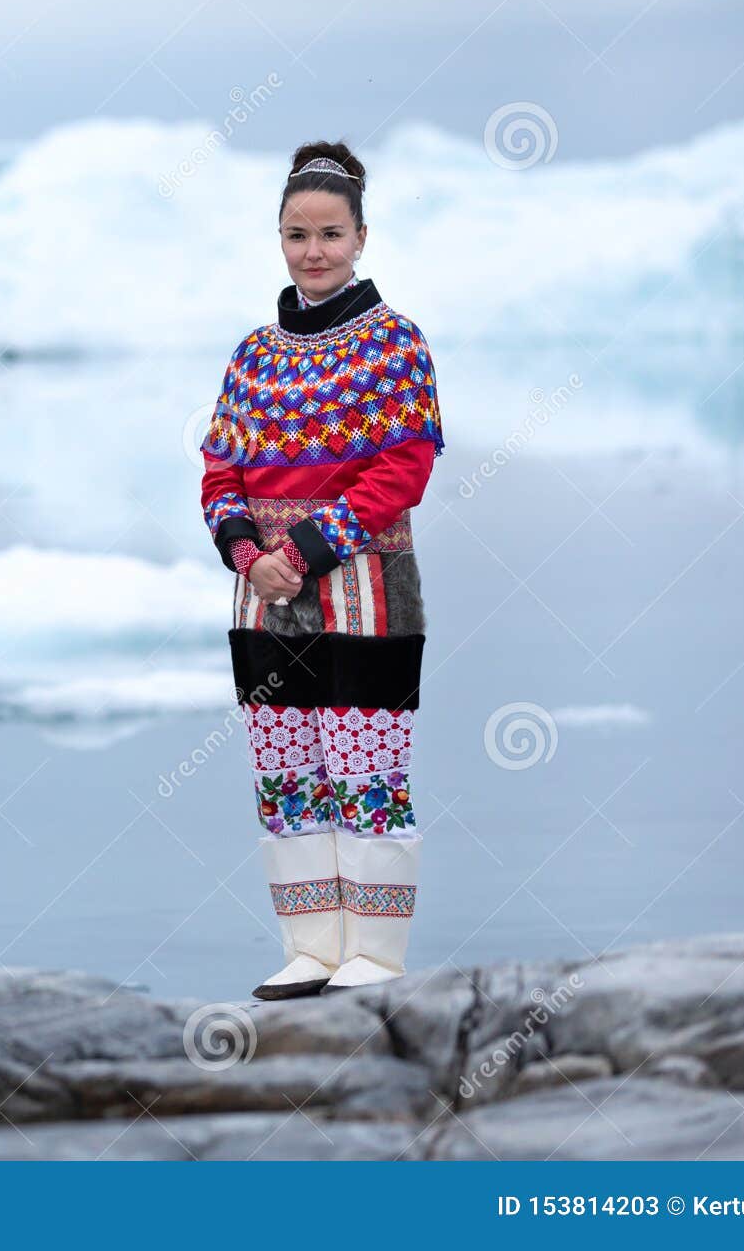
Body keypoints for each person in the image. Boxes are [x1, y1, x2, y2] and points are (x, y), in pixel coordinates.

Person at [198, 139, 445, 1001]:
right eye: (297, 233)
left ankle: (373, 953)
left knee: (367, 772)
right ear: (278, 238)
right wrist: (246, 555)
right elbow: (219, 470)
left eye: (330, 233)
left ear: (362, 236)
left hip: (367, 595)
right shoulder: (254, 354)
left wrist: (300, 552)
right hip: (263, 604)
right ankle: (311, 947)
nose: (314, 250)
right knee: (287, 776)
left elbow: (404, 468)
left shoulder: (394, 343)